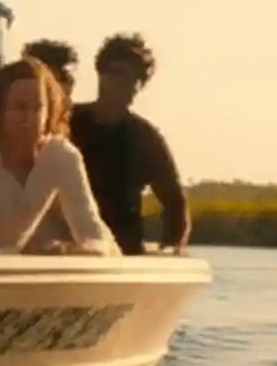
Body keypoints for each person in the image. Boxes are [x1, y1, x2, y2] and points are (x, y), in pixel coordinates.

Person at [0, 57, 118, 256]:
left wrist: (78, 251)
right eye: (19, 107)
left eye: (37, 108)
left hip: (25, 275)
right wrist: (18, 260)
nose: (28, 118)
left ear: (50, 110)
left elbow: (92, 232)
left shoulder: (62, 155)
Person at [70, 33, 190, 255]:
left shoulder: (145, 138)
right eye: (115, 74)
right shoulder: (67, 122)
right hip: (68, 246)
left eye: (132, 79)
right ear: (100, 74)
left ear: (140, 85)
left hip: (122, 253)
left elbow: (175, 202)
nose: (121, 84)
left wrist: (172, 247)